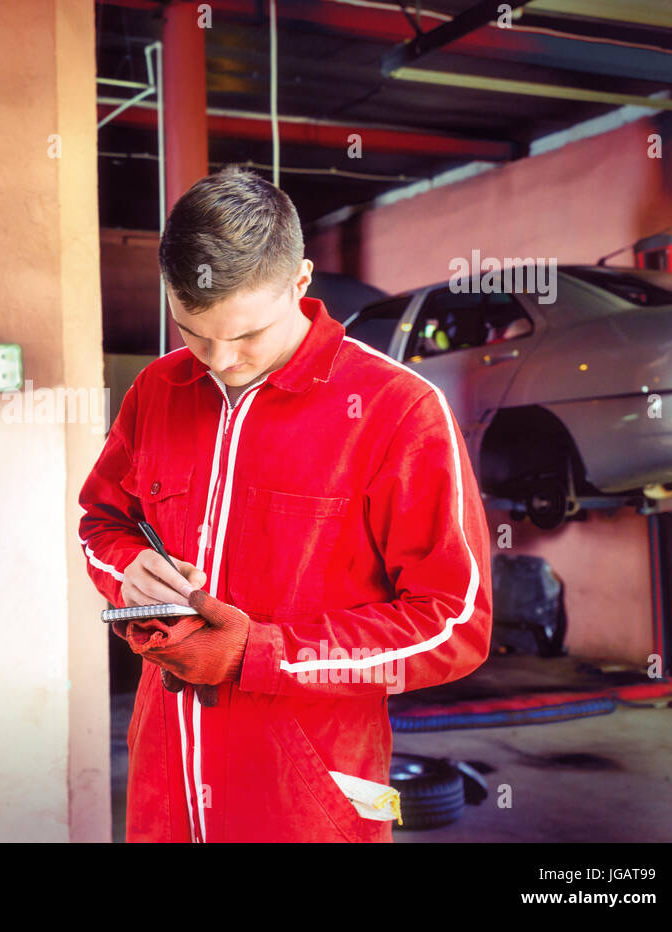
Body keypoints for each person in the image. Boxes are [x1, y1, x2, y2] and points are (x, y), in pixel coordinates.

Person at [77, 166, 493, 842]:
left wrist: (258, 655)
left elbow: (453, 624)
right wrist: (126, 571)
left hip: (314, 803)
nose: (218, 360)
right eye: (192, 330)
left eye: (246, 336)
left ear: (300, 284)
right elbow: (101, 523)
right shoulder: (157, 390)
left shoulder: (398, 410)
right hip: (166, 788)